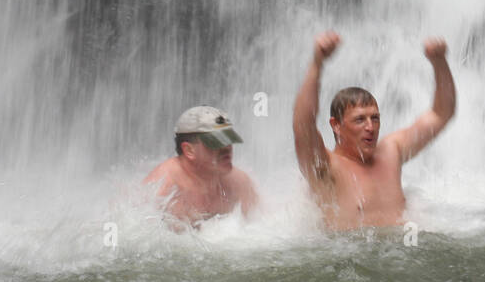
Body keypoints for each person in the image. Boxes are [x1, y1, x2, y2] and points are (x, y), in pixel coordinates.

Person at [293, 32, 455, 230]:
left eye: (375, 118)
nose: (370, 127)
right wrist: (317, 64)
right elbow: (303, 125)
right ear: (336, 125)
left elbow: (440, 114)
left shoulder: (391, 151)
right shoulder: (325, 168)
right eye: (360, 120)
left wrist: (439, 62)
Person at [143, 106, 259, 226]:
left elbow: (262, 223)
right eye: (216, 142)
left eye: (229, 139)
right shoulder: (164, 189)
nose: (227, 148)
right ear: (189, 150)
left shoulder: (239, 182)